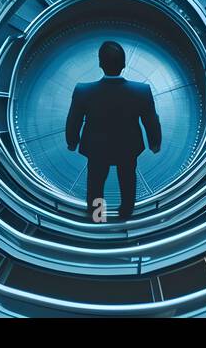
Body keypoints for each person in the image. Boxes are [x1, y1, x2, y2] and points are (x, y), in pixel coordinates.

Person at [65, 41, 161, 222]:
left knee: (96, 183)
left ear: (100, 64)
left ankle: (97, 216)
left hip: (96, 148)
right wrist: (154, 143)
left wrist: (72, 142)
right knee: (127, 179)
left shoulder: (83, 91)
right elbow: (151, 120)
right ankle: (125, 212)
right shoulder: (141, 91)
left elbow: (73, 120)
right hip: (128, 147)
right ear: (124, 64)